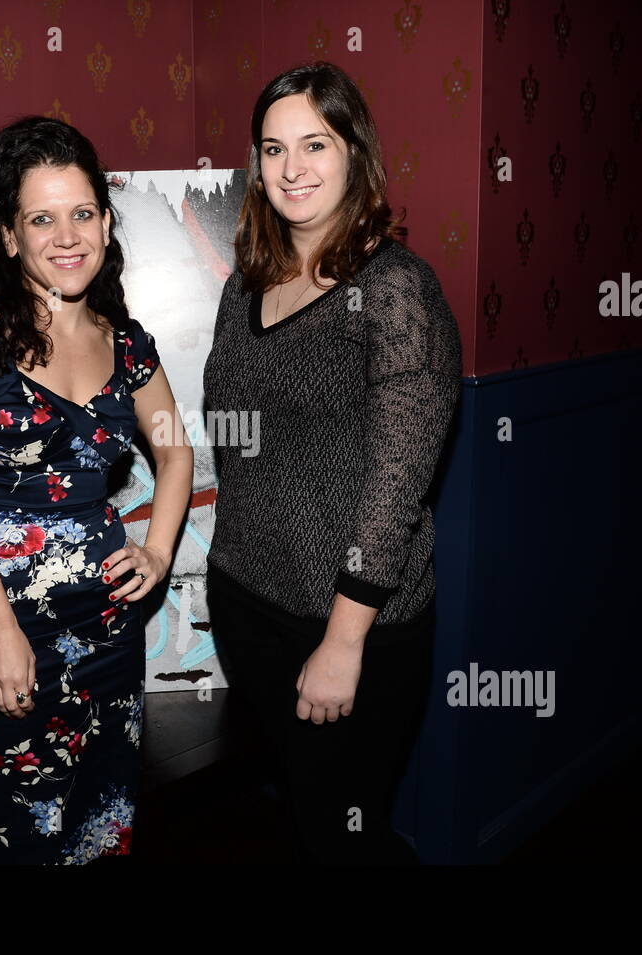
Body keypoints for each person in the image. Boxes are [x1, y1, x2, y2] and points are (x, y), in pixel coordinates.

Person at [0, 117, 192, 864]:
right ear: (9, 236)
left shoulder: (125, 340)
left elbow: (175, 449)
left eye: (82, 212)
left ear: (104, 220)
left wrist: (159, 551)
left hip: (110, 631)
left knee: (106, 826)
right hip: (9, 637)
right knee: (28, 839)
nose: (67, 236)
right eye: (42, 217)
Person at [202, 61, 462, 865]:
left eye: (315, 143)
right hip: (249, 605)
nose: (292, 168)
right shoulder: (246, 282)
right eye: (273, 149)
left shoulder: (395, 291)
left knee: (342, 832)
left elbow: (396, 489)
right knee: (301, 813)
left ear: (355, 151)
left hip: (348, 625)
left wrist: (344, 641)